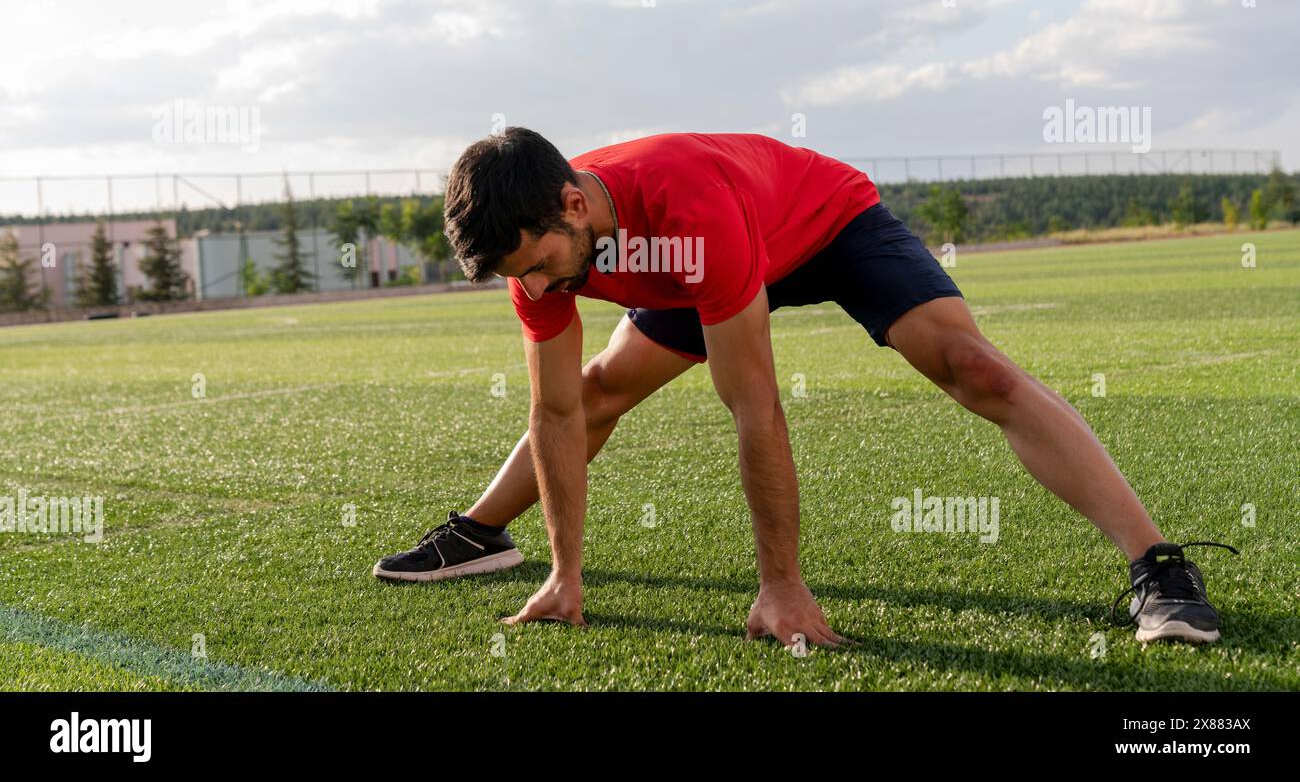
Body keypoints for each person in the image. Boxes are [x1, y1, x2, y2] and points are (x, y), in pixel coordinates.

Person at [374, 127, 1236, 646]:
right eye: (520, 277)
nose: (540, 287)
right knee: (594, 391)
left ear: (573, 203)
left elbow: (755, 405)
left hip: (821, 222)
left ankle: (1159, 567)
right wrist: (568, 572)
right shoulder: (540, 261)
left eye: (543, 264)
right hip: (686, 269)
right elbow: (557, 409)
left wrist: (780, 582)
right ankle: (482, 533)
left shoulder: (683, 202)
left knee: (975, 369)